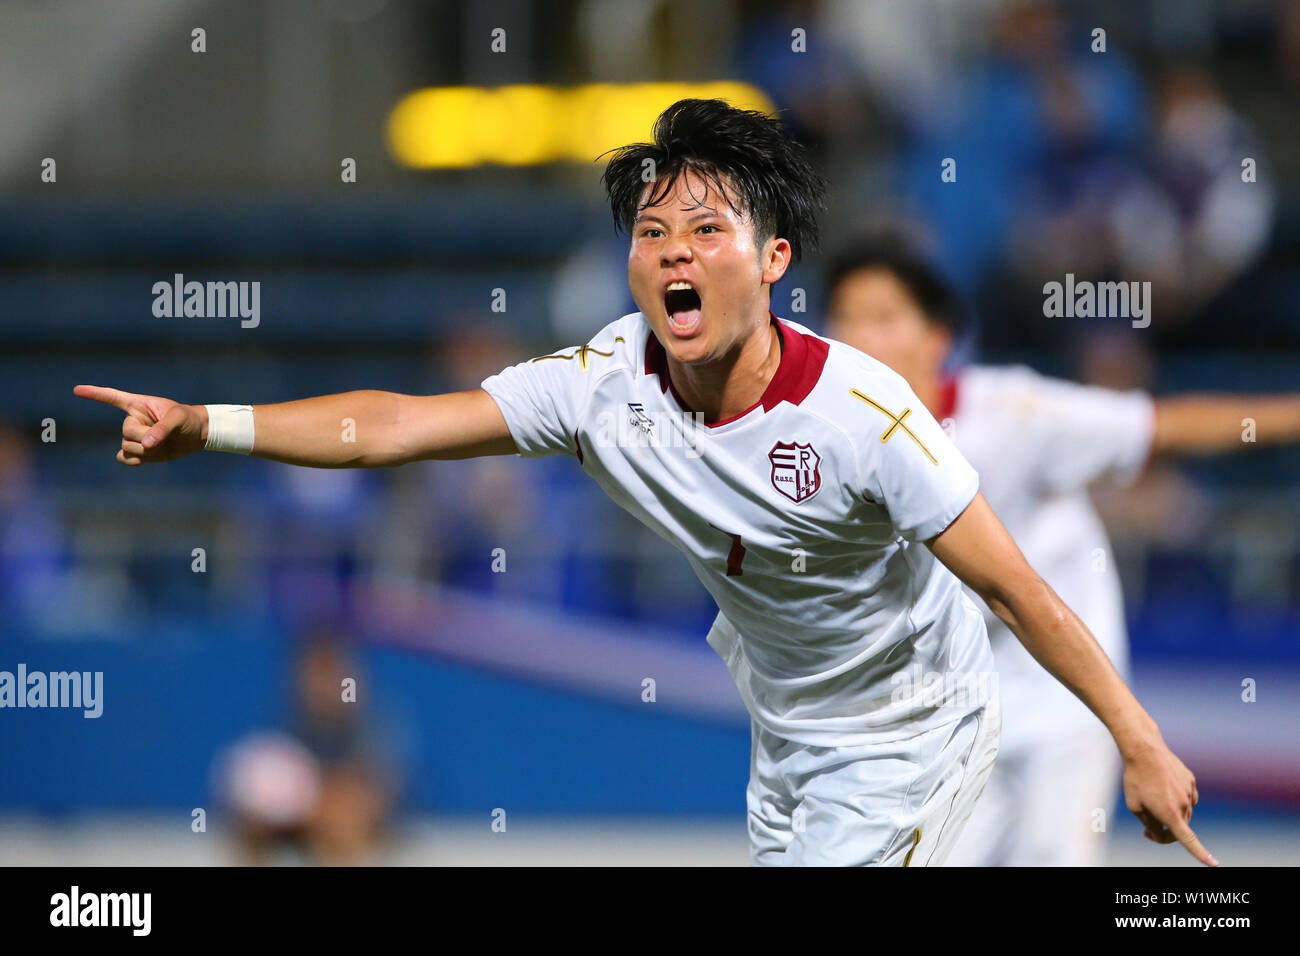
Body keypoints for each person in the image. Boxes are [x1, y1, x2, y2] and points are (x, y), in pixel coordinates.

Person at [77, 98, 1211, 867]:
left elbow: (1014, 586)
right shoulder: (603, 380)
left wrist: (1137, 737)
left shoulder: (866, 418)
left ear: (771, 261)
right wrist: (211, 426)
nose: (672, 248)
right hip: (792, 736)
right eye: (651, 228)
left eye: (707, 227)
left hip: (911, 728)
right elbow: (396, 427)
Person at [825, 234, 1300, 865]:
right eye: (845, 319)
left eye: (883, 319)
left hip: (1064, 706)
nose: (859, 337)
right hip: (949, 719)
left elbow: (1167, 425)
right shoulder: (831, 452)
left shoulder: (1018, 413)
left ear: (937, 339)